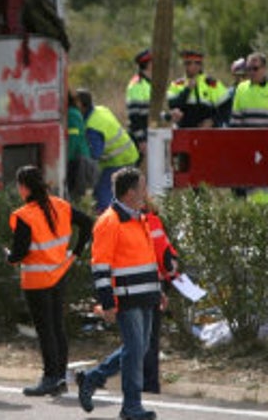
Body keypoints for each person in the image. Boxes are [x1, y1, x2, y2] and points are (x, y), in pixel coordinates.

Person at [76, 167, 161, 420]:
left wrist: (158, 292)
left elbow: (146, 260)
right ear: (129, 192)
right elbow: (100, 267)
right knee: (135, 350)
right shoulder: (109, 222)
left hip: (145, 295)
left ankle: (92, 379)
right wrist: (108, 303)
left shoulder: (139, 218)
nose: (146, 192)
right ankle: (131, 406)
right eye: (142, 187)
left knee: (138, 349)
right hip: (126, 298)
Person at [8, 165, 94, 397]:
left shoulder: (24, 215)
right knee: (57, 327)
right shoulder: (61, 205)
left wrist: (9, 257)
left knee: (45, 330)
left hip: (36, 280)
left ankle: (50, 377)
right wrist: (75, 253)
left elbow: (19, 253)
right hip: (59, 274)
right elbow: (87, 223)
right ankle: (59, 378)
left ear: (23, 187)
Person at [78, 89, 139, 212]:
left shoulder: (92, 127)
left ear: (81, 106)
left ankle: (107, 220)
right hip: (129, 155)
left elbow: (95, 154)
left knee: (103, 193)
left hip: (118, 161)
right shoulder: (100, 110)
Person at [143, 199, 181, 394]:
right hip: (155, 284)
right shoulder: (153, 221)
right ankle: (150, 383)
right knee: (150, 337)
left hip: (134, 286)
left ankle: (142, 382)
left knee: (137, 338)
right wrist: (171, 274)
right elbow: (167, 255)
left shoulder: (118, 221)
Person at [230, 52, 268, 203]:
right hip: (247, 151)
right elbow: (235, 123)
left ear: (264, 69)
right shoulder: (241, 89)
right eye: (248, 69)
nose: (251, 72)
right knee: (247, 195)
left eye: (255, 68)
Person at [166, 49, 226, 128]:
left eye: (197, 63)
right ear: (184, 65)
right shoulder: (177, 84)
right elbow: (171, 106)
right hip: (184, 132)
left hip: (208, 133)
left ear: (201, 65)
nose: (192, 66)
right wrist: (187, 90)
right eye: (188, 63)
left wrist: (213, 121)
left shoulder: (212, 84)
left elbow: (225, 109)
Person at [66, 91, 94, 203]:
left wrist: (65, 161)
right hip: (78, 160)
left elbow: (74, 140)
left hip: (78, 161)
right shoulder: (73, 113)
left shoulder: (71, 114)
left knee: (76, 198)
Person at [126, 49, 152, 157]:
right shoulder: (137, 84)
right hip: (140, 137)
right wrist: (141, 140)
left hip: (151, 134)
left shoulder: (150, 83)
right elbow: (134, 116)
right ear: (149, 65)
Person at [215, 57, 246, 127]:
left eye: (244, 75)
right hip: (230, 132)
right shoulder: (228, 94)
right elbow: (218, 114)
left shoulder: (256, 92)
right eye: (238, 76)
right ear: (234, 76)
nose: (241, 79)